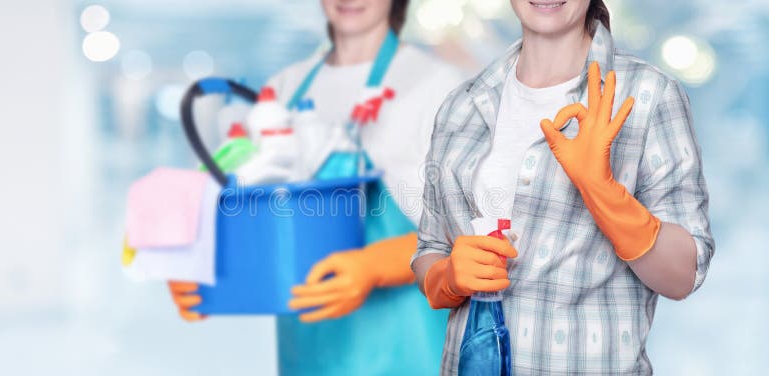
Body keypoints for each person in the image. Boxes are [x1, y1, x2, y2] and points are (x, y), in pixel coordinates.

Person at [411, 0, 714, 374]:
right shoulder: (462, 105)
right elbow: (430, 249)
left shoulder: (648, 96)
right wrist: (448, 278)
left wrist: (603, 193)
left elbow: (683, 276)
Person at [169, 0, 464, 374]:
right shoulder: (285, 87)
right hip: (309, 348)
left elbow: (469, 227)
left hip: (405, 344)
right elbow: (263, 214)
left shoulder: (438, 85)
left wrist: (373, 266)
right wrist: (204, 267)